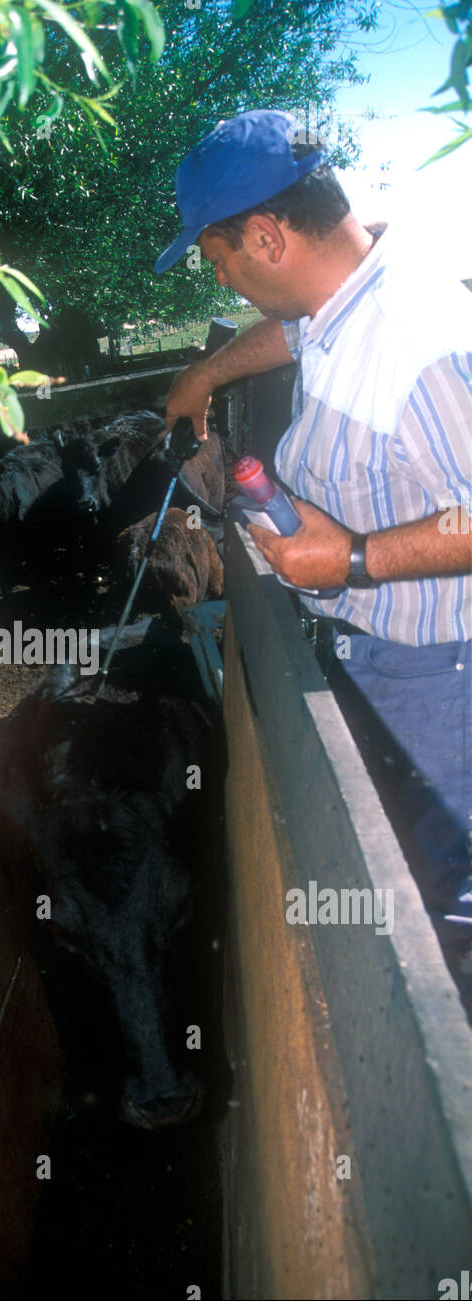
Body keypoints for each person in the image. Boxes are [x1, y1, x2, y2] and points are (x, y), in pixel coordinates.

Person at [156, 109, 472, 1005]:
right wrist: (207, 373)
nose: (226, 281)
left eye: (221, 263)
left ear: (266, 235)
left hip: (434, 673)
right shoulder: (343, 303)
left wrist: (357, 559)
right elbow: (292, 335)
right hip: (374, 653)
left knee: (439, 896)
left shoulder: (418, 334)